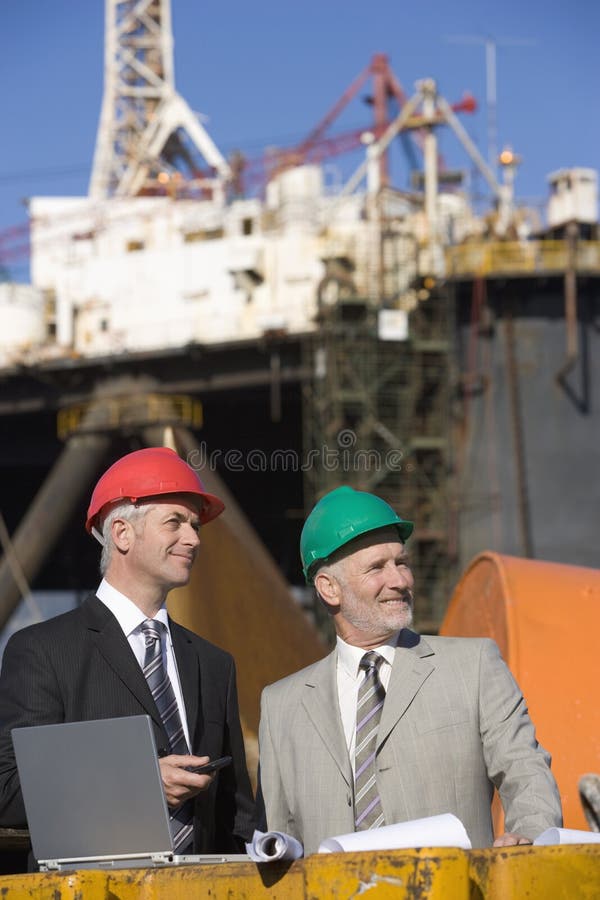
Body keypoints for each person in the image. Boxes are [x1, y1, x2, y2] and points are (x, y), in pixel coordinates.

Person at [257, 486, 562, 854]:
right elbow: (276, 836)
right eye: (377, 568)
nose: (400, 580)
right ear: (329, 588)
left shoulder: (474, 666)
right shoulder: (280, 706)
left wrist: (532, 836)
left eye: (401, 562)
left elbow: (525, 770)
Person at [0, 446, 254, 854]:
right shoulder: (41, 651)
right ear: (121, 533)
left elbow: (236, 816)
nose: (192, 538)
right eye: (175, 522)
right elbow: (9, 788)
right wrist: (140, 781)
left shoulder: (213, 665)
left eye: (195, 526)